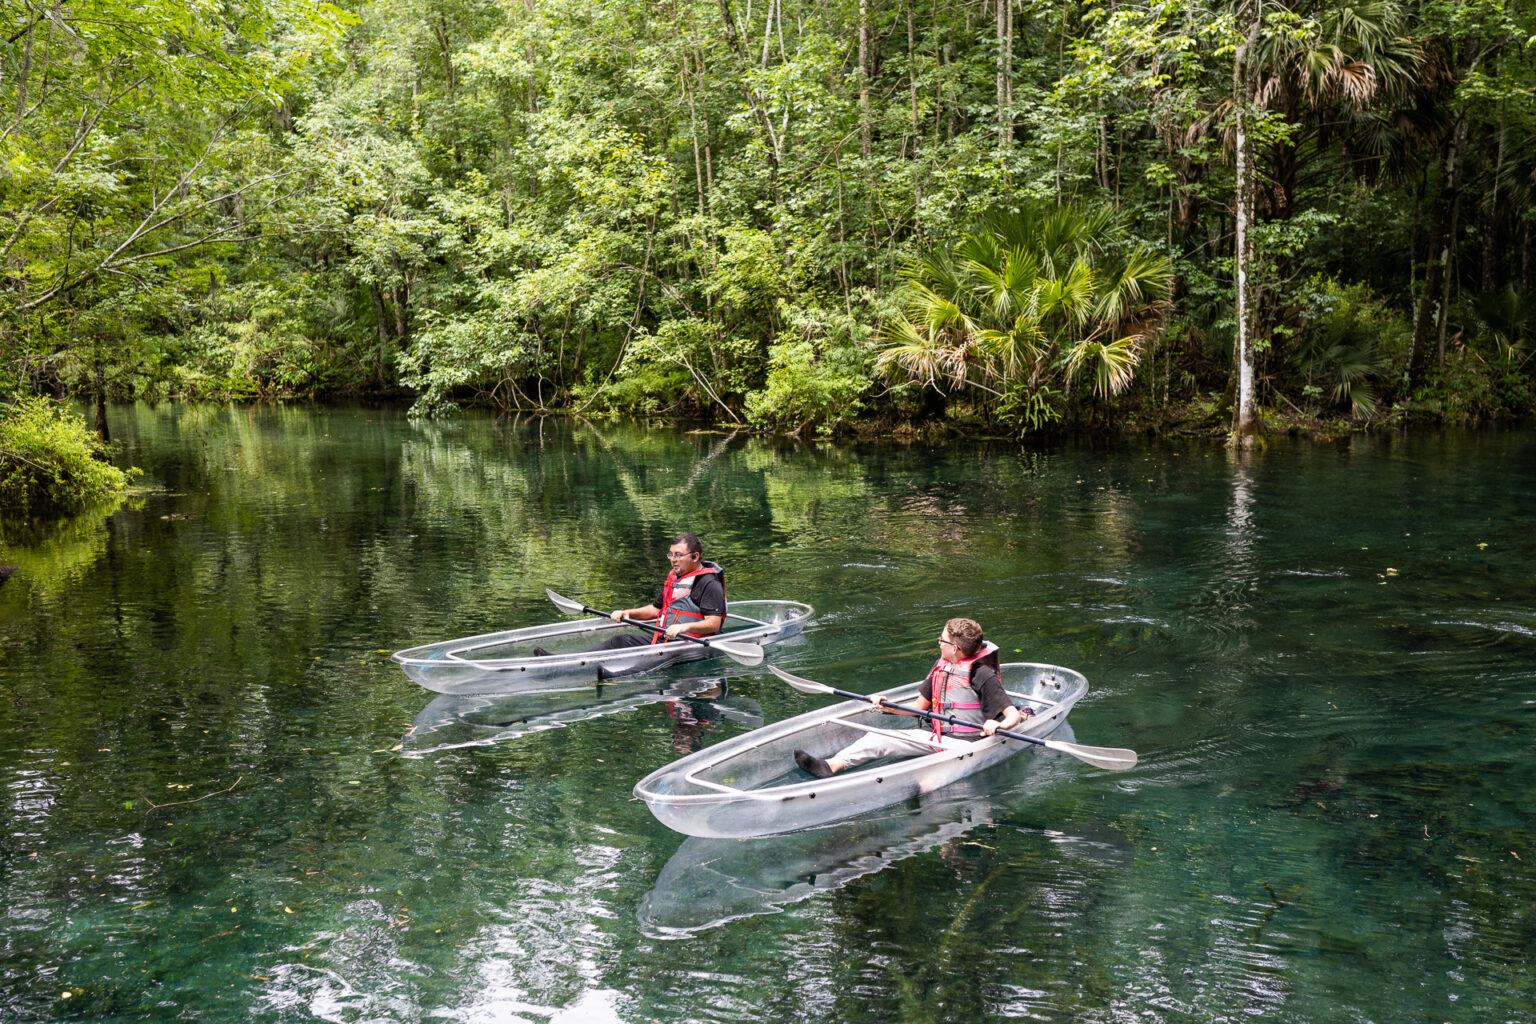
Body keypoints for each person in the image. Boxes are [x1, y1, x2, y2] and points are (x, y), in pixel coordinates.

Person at [792, 617, 1028, 778]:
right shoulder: (942, 666)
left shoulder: (981, 674)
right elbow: (918, 707)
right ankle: (829, 767)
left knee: (927, 785)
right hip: (936, 735)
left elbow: (1012, 715)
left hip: (968, 744)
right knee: (877, 739)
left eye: (941, 639)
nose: (938, 641)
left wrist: (998, 724)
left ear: (955, 648)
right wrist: (886, 706)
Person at [535, 534, 726, 655]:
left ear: (695, 557)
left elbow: (714, 624)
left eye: (678, 555)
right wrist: (628, 613)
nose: (673, 560)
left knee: (640, 663)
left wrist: (683, 627)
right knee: (619, 641)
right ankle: (571, 661)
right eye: (671, 555)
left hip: (690, 646)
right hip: (664, 641)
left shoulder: (709, 583)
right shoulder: (676, 578)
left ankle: (607, 673)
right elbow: (655, 609)